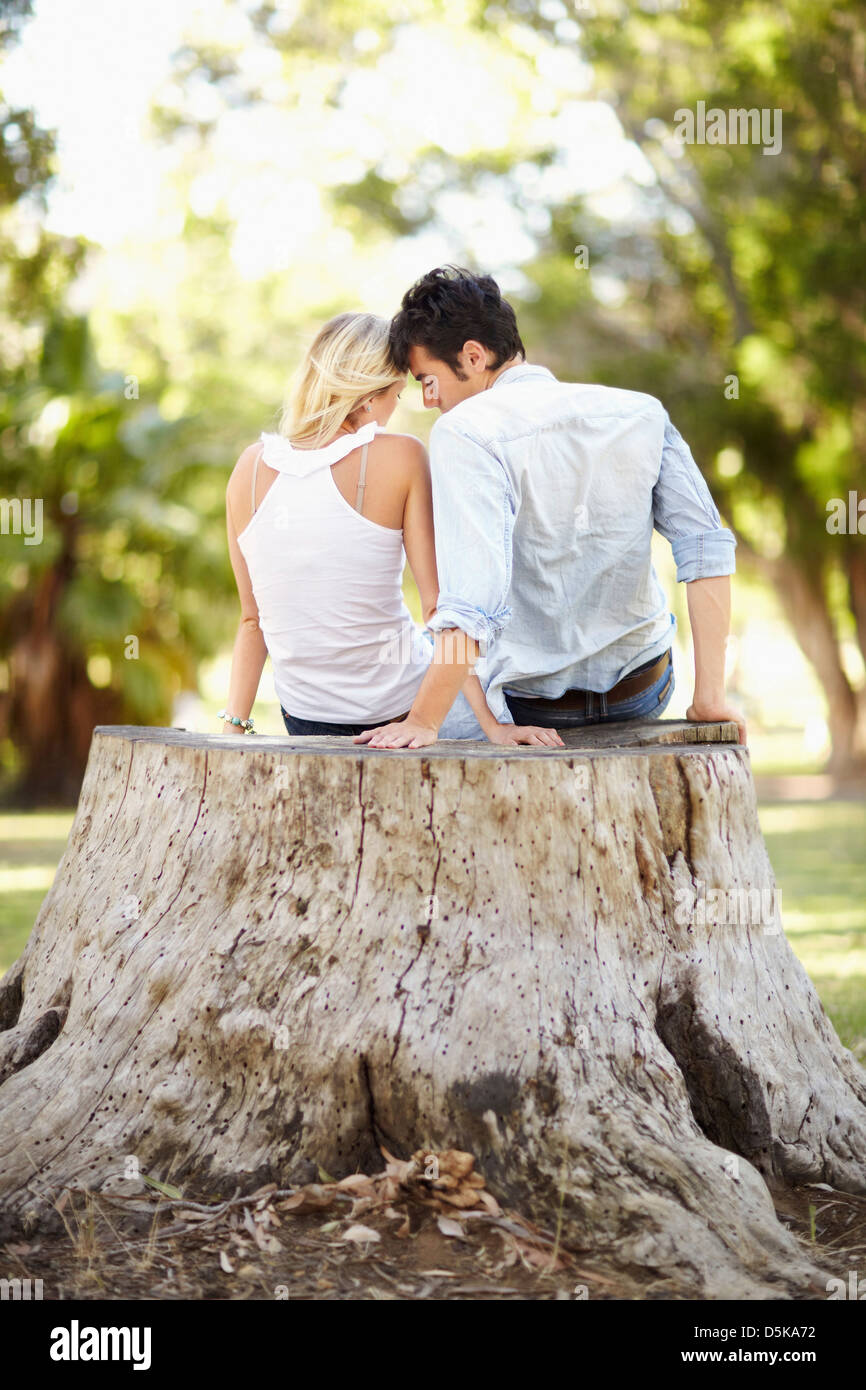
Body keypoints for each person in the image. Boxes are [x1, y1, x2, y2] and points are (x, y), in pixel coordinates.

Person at [355, 266, 745, 750]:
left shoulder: (465, 431)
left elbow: (472, 603)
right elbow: (704, 546)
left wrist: (423, 722)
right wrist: (709, 696)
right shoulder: (641, 412)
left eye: (428, 380)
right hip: (642, 689)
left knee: (393, 708)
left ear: (472, 356)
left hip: (532, 706)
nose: (430, 400)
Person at [220, 310, 562, 748]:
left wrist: (234, 730)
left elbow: (253, 622)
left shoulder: (248, 467)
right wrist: (492, 723)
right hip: (402, 710)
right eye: (397, 396)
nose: (395, 411)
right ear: (368, 397)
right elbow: (440, 609)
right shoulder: (402, 456)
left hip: (305, 719)